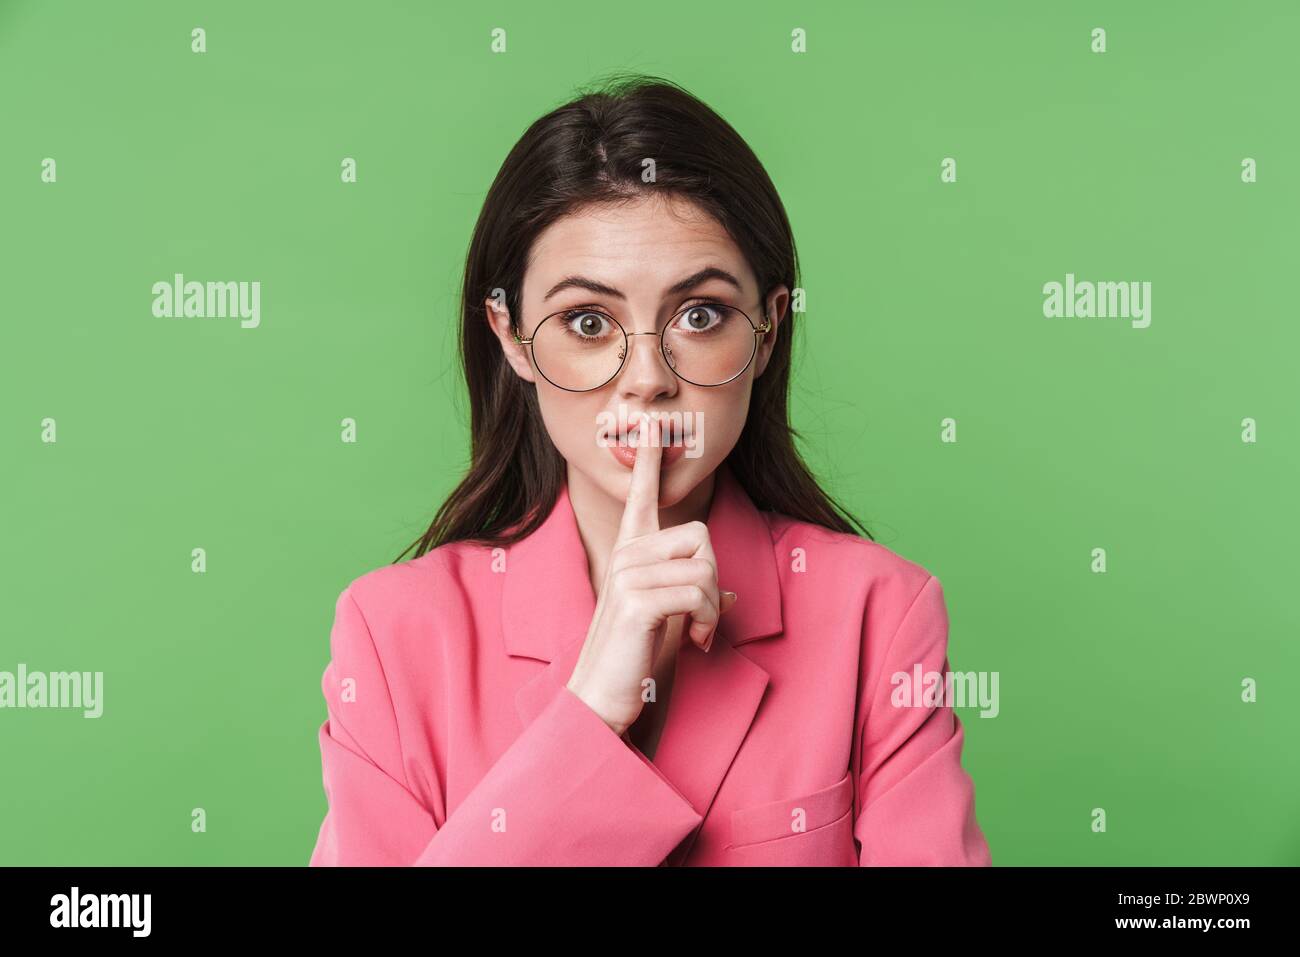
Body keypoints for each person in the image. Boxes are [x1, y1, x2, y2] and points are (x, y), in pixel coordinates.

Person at [308, 74, 992, 866]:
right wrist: (589, 711)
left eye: (699, 315)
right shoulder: (394, 636)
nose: (646, 378)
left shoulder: (880, 614)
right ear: (512, 336)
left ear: (768, 331)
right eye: (587, 321)